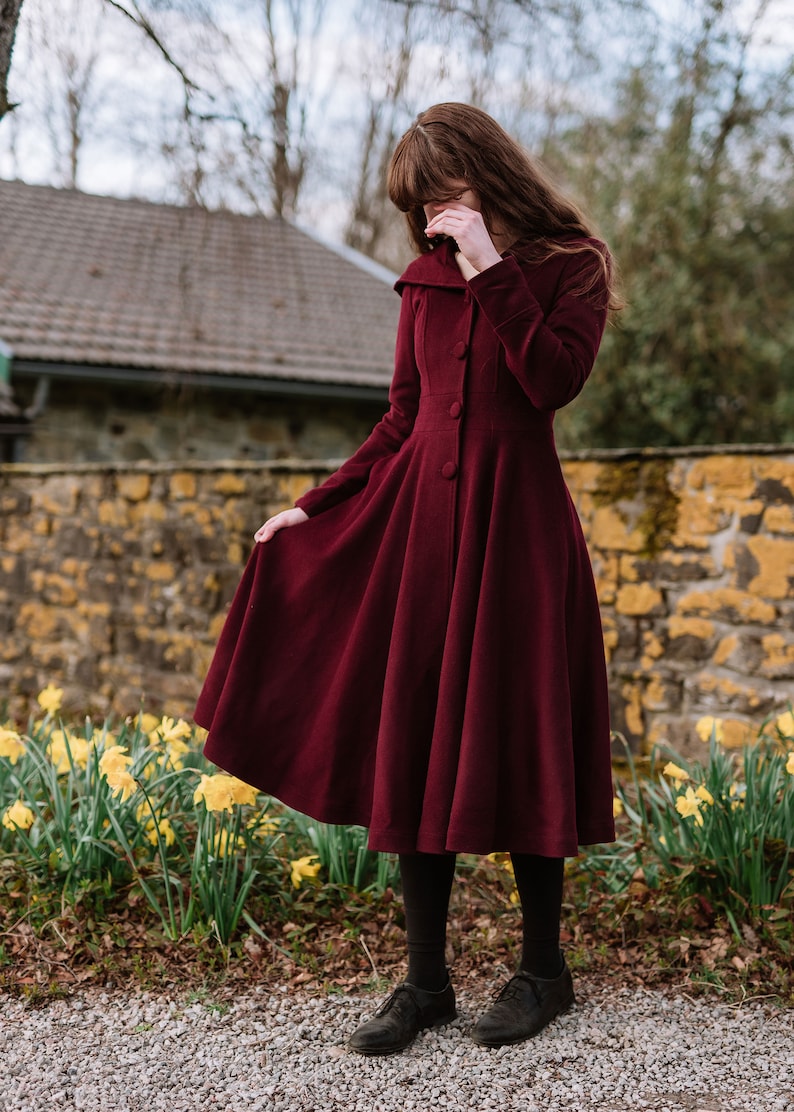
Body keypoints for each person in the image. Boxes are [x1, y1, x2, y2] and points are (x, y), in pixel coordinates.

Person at [194, 102, 621, 1055]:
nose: (432, 214)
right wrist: (313, 505)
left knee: (521, 730)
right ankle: (425, 982)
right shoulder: (421, 283)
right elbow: (400, 421)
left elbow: (551, 381)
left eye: (445, 193)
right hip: (424, 538)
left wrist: (490, 268)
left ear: (485, 173)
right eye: (419, 204)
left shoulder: (569, 264)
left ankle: (544, 971)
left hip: (520, 537)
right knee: (418, 736)